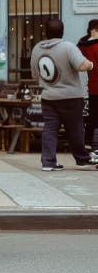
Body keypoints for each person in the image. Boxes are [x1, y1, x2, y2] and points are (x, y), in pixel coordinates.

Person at [31, 18, 98, 171]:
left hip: (48, 97)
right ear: (62, 32)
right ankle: (81, 159)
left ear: (45, 32)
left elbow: (35, 74)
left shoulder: (37, 49)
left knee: (50, 129)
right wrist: (91, 64)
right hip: (71, 97)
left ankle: (48, 162)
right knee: (75, 129)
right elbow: (82, 65)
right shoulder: (68, 47)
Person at [77, 19, 98, 153]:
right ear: (94, 30)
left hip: (93, 87)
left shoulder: (82, 46)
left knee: (93, 118)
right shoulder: (95, 46)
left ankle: (88, 145)